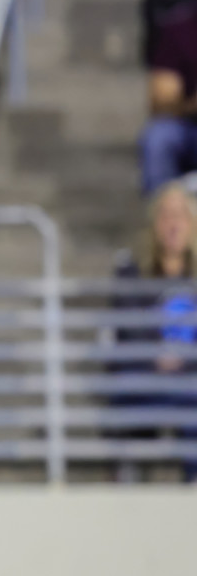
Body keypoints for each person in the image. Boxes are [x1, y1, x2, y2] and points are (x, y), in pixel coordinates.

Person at [110, 181, 197, 481]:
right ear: (154, 225)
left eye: (180, 216)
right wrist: (157, 355)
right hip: (146, 374)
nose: (173, 224)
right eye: (166, 216)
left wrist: (183, 360)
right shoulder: (131, 273)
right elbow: (128, 328)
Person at [140, 2, 197, 194]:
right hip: (187, 125)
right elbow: (162, 99)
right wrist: (191, 103)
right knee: (158, 137)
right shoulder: (180, 29)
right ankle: (163, 205)